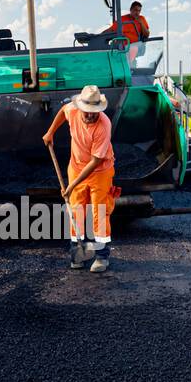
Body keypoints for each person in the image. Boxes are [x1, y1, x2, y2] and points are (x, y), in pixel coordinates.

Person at [43, 84, 116, 272]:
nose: (91, 115)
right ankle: (77, 253)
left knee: (99, 211)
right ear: (81, 107)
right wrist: (51, 132)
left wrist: (71, 185)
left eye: (95, 111)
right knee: (76, 210)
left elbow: (95, 161)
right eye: (88, 111)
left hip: (100, 170)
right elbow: (62, 111)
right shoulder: (73, 110)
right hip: (76, 167)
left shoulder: (104, 125)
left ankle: (101, 256)